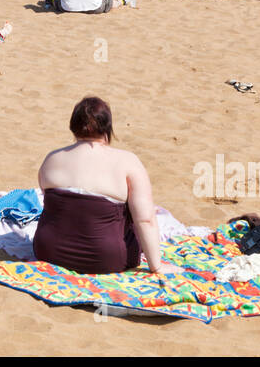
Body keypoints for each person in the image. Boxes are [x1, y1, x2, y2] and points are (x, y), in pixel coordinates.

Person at [34, 96, 167, 276]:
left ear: (73, 126)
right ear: (108, 127)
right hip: (106, 259)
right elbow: (145, 219)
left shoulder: (52, 159)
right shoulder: (128, 161)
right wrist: (156, 266)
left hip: (47, 251)